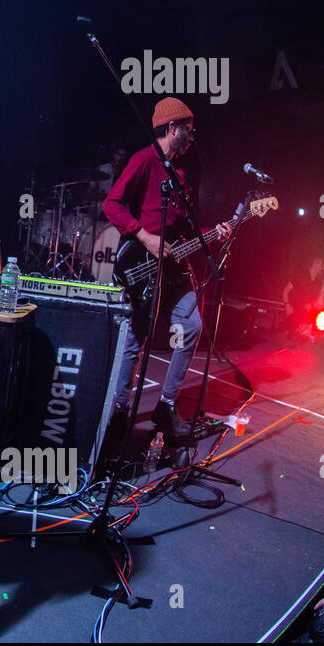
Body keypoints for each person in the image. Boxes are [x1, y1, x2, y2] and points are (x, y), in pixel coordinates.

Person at [102, 97, 230, 467]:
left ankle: (167, 404)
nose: (192, 134)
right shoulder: (144, 161)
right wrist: (143, 236)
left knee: (191, 325)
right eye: (188, 127)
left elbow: (185, 230)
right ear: (172, 128)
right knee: (134, 339)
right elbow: (113, 204)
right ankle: (120, 411)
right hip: (142, 266)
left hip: (175, 269)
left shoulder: (180, 175)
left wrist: (214, 233)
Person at [282, 255, 323, 330]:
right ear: (315, 264)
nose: (322, 268)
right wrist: (287, 305)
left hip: (307, 320)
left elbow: (318, 301)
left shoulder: (319, 283)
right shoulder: (300, 275)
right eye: (321, 265)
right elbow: (286, 291)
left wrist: (311, 304)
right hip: (294, 316)